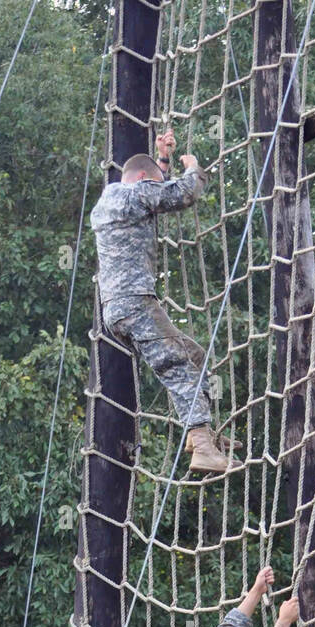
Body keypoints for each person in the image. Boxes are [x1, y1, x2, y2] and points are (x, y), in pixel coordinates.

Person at [90, 127, 229, 474]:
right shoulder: (132, 195)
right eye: (151, 181)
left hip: (116, 309)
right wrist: (194, 167)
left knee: (194, 355)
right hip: (135, 302)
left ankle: (200, 434)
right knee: (178, 363)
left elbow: (154, 188)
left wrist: (162, 156)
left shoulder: (113, 200)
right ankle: (202, 446)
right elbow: (181, 193)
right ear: (140, 180)